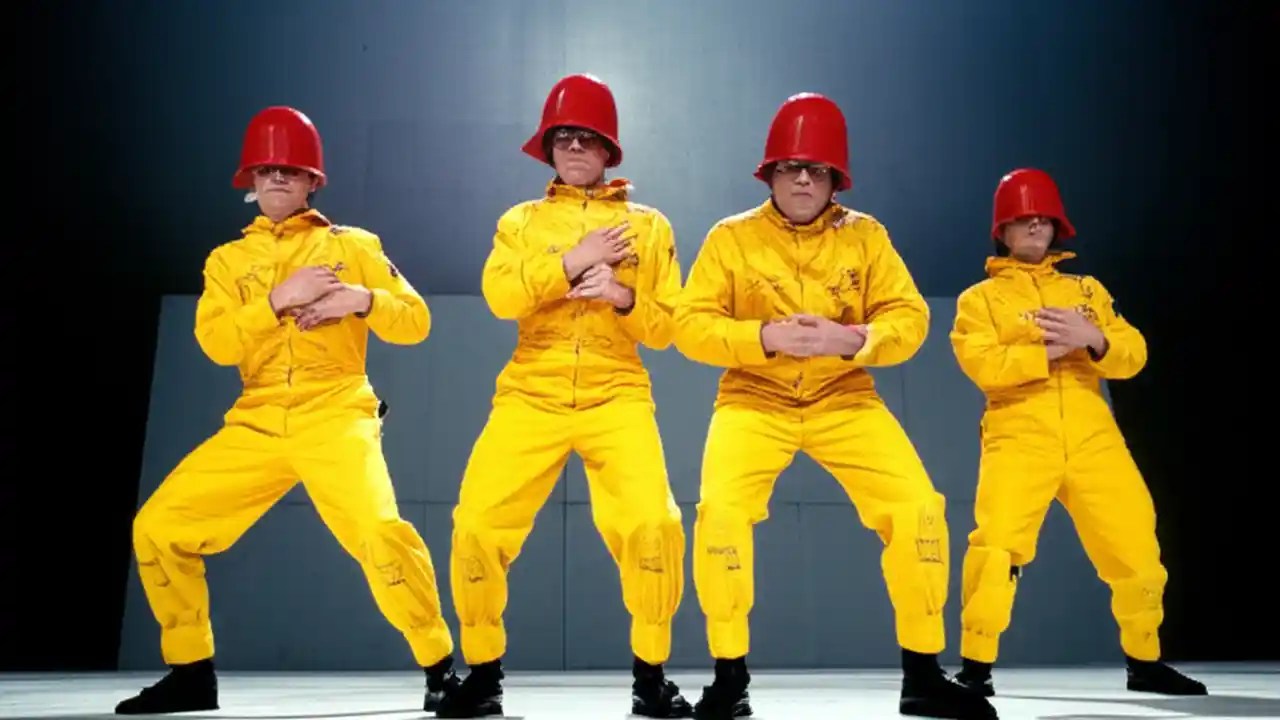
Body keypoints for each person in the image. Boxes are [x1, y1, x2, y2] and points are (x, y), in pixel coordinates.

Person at [115, 106, 459, 715]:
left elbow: (416, 322)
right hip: (256, 419)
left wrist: (362, 298)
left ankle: (440, 668)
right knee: (159, 527)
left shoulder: (352, 246)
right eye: (266, 170)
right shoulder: (226, 263)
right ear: (250, 183)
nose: (278, 180)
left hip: (337, 412)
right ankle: (192, 672)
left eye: (291, 171)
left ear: (312, 182)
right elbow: (217, 345)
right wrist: (279, 298)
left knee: (381, 532)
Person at [673, 92, 998, 720]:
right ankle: (728, 676)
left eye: (816, 169)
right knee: (720, 514)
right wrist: (761, 338)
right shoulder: (730, 239)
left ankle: (924, 674)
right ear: (768, 173)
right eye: (790, 167)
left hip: (844, 397)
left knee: (918, 508)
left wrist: (854, 340)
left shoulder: (866, 236)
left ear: (834, 180)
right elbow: (690, 324)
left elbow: (910, 315)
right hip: (752, 398)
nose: (801, 179)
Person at [435, 74, 692, 719]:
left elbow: (671, 326)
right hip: (531, 387)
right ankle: (484, 672)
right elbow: (500, 298)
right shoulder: (521, 222)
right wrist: (573, 259)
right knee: (475, 525)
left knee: (654, 526)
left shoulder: (649, 226)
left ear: (609, 150)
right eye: (563, 137)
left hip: (617, 390)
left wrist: (623, 296)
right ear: (548, 149)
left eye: (588, 138)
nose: (575, 147)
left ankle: (651, 677)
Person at [949, 168, 1207, 698]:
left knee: (1136, 542)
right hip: (1019, 431)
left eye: (1043, 217)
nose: (1035, 226)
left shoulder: (1088, 291)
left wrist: (1093, 338)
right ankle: (975, 667)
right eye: (1023, 219)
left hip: (1094, 434)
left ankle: (1145, 660)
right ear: (1003, 229)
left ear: (1056, 225)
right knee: (997, 547)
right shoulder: (980, 300)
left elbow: (1132, 352)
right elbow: (981, 364)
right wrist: (1046, 352)